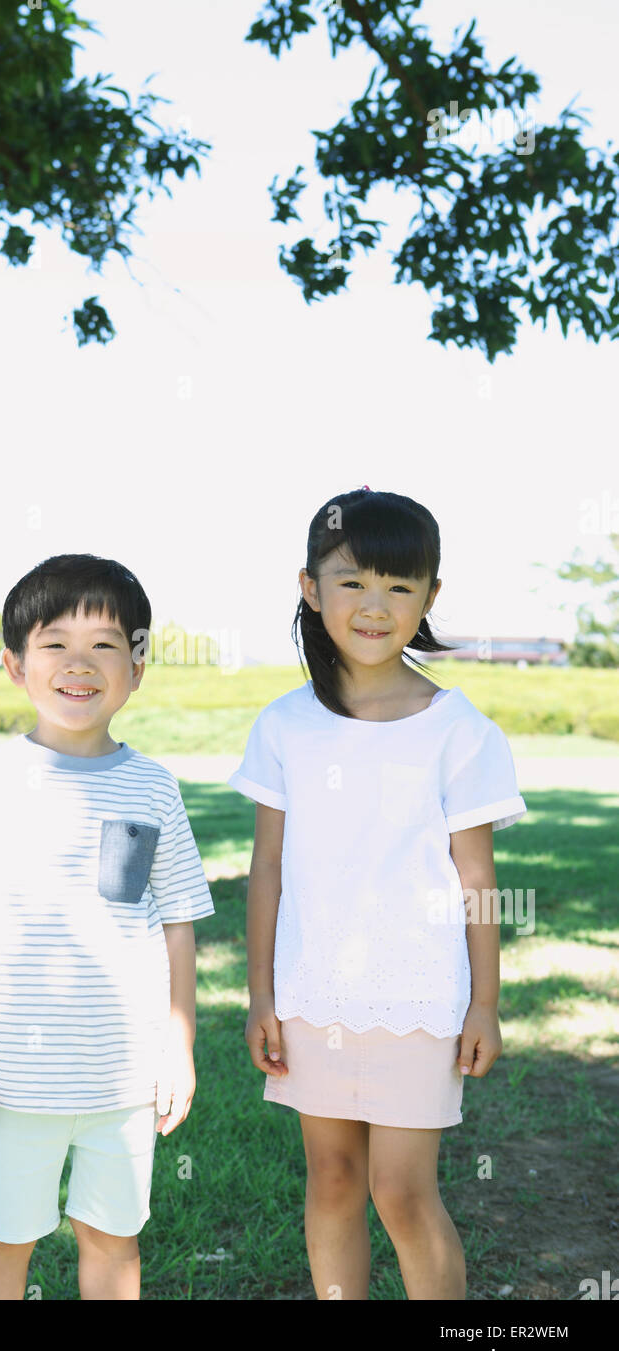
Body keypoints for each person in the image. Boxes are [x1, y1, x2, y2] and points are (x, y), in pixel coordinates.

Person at [227, 486, 527, 1301]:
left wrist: (485, 1004)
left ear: (431, 597)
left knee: (401, 1191)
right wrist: (262, 995)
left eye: (400, 586)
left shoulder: (458, 729)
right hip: (312, 995)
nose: (374, 605)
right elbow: (269, 869)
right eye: (353, 580)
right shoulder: (285, 724)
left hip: (420, 996)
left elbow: (478, 880)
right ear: (309, 587)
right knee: (330, 1179)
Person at [0, 554, 215, 1300]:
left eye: (105, 645)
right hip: (13, 1077)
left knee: (112, 1241)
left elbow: (177, 921)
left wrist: (178, 1047)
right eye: (54, 644)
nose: (79, 664)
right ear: (17, 665)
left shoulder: (154, 786)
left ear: (137, 668)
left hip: (125, 1077)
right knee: (5, 1235)